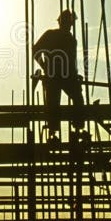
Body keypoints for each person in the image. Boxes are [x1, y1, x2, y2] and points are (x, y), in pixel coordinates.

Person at [33, 9, 84, 141]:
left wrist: (76, 74)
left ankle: (58, 131)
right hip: (57, 77)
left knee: (60, 103)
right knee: (63, 102)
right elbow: (35, 50)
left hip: (61, 77)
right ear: (64, 23)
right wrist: (44, 66)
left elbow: (71, 60)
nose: (70, 26)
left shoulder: (70, 39)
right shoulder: (54, 35)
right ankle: (61, 131)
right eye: (69, 23)